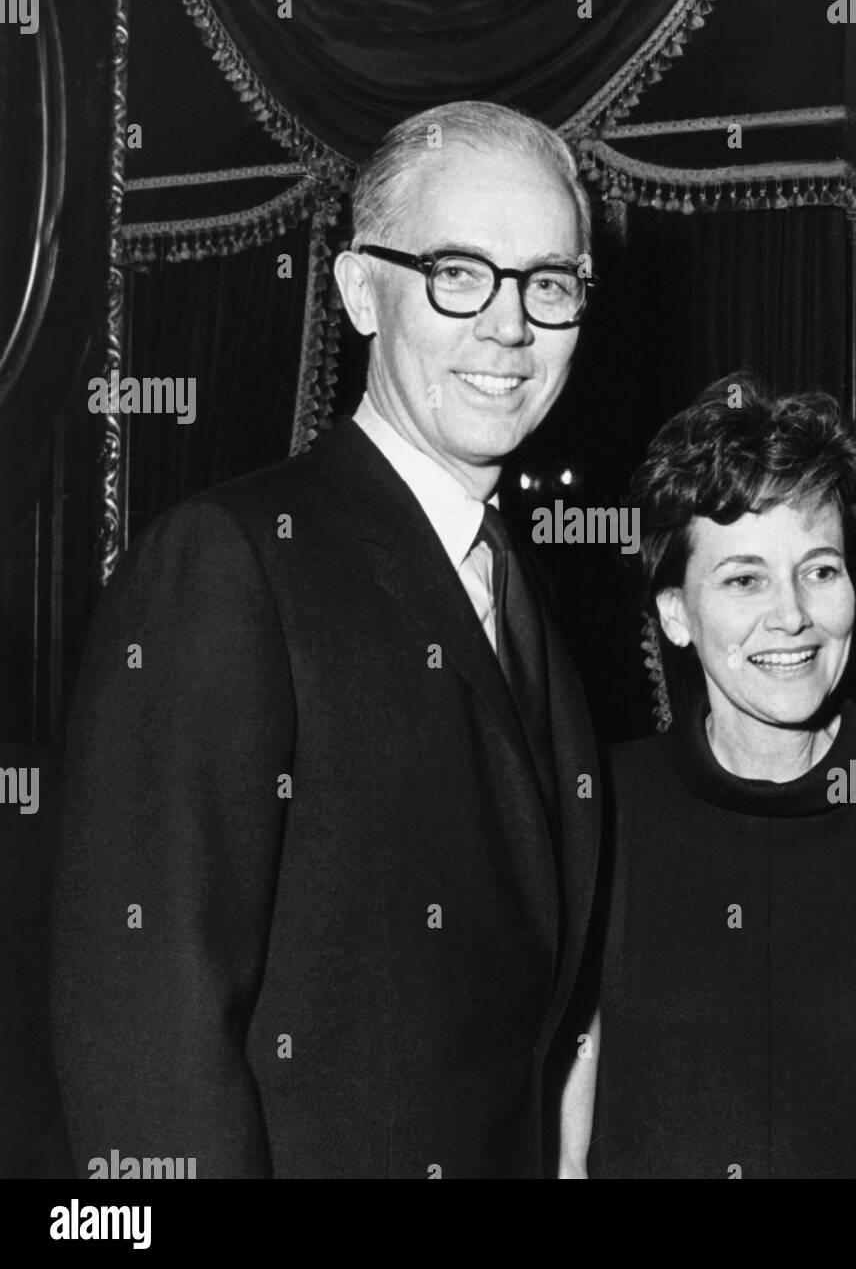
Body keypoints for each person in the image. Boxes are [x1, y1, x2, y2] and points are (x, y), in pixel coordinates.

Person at [51, 101, 601, 1179]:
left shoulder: (528, 593)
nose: (508, 325)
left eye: (548, 282)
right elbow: (146, 1033)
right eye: (457, 272)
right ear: (360, 291)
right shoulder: (230, 563)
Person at [581, 375, 856, 1179]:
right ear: (675, 612)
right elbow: (563, 1156)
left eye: (819, 570)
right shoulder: (600, 809)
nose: (790, 615)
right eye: (743, 578)